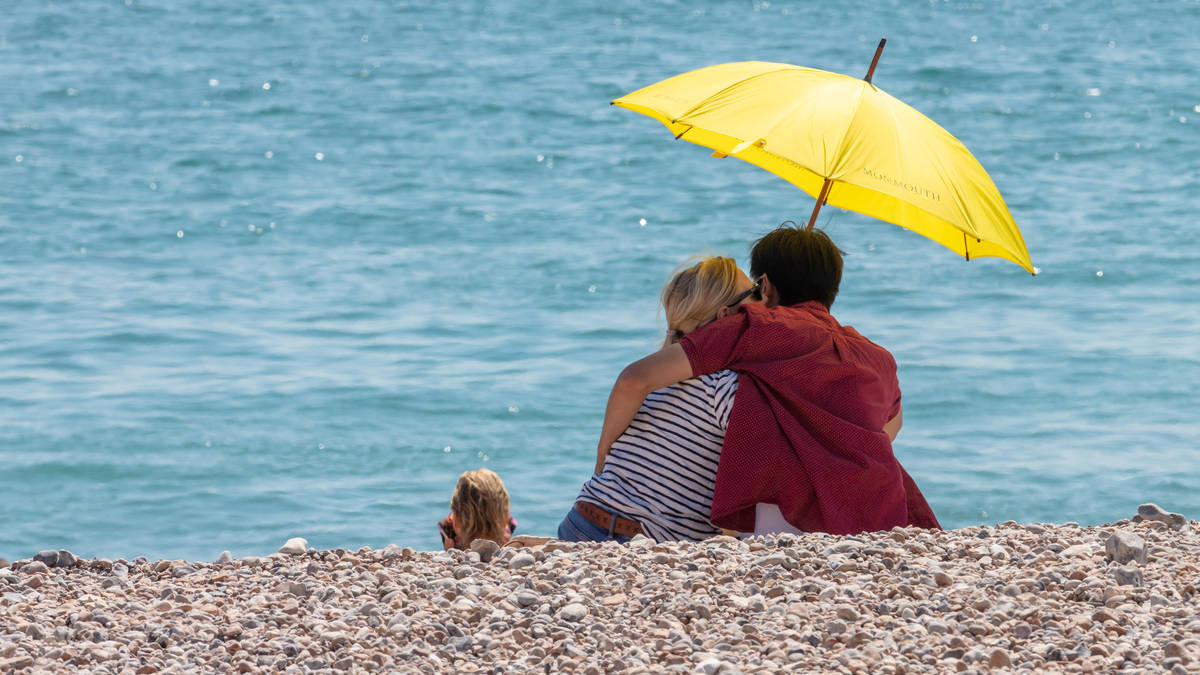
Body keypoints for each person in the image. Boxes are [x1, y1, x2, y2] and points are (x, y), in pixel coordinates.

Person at [594, 226, 940, 535]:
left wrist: (602, 458)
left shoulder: (756, 327)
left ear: (767, 287)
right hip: (882, 512)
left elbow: (635, 378)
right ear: (833, 287)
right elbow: (889, 430)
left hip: (794, 519)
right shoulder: (879, 358)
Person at [557, 256, 758, 543]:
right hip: (641, 539)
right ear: (726, 317)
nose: (763, 306)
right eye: (755, 295)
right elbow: (754, 469)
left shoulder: (654, 379)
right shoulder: (723, 385)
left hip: (581, 519)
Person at [438, 468, 518, 550]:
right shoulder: (505, 526)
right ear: (505, 519)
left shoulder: (450, 533)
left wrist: (448, 552)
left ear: (456, 521)